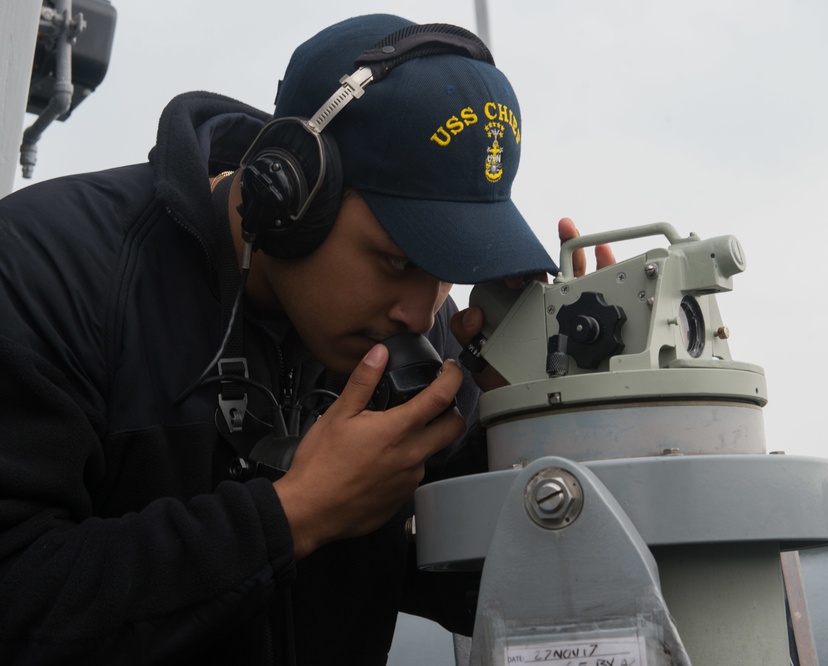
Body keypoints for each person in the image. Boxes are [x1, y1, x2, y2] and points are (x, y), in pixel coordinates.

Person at [0, 12, 613, 666]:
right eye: (398, 262)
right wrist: (293, 517)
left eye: (448, 271)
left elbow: (487, 594)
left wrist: (531, 427)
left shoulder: (417, 335)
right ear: (290, 196)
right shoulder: (43, 270)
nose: (422, 311)